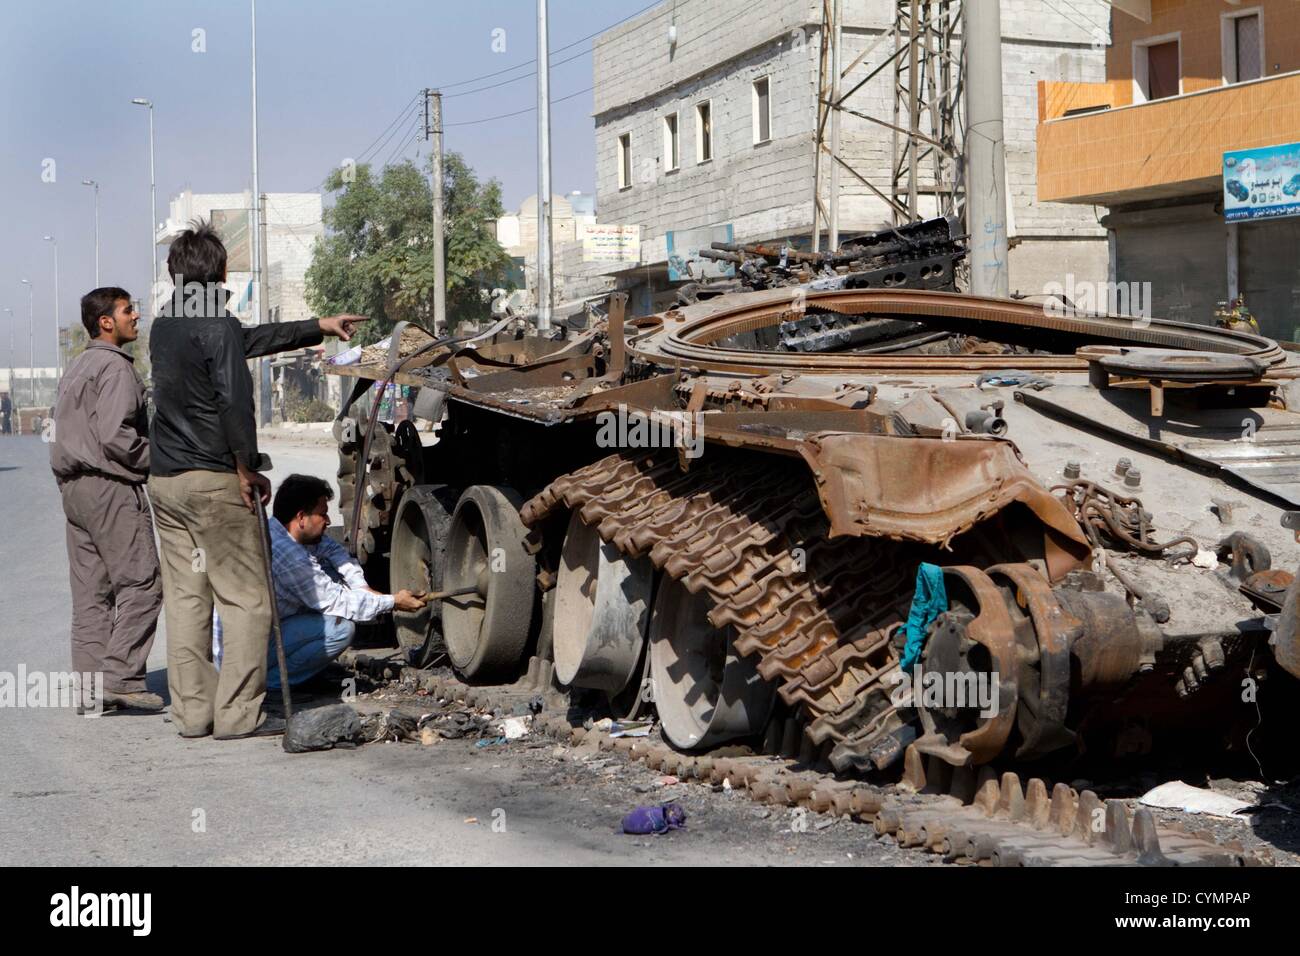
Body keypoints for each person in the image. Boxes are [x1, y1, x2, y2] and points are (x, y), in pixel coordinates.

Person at [146, 221, 367, 740]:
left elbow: (244, 340)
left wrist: (317, 325)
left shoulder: (165, 323)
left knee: (186, 601)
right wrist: (248, 466)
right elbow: (232, 398)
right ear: (219, 269)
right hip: (211, 482)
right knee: (248, 600)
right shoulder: (214, 323)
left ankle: (193, 714)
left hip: (166, 481)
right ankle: (239, 714)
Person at [50, 288, 162, 715]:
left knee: (92, 595)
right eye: (128, 310)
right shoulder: (114, 368)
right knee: (143, 582)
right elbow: (117, 437)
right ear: (106, 322)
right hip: (109, 487)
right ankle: (122, 679)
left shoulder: (78, 366)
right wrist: (160, 460)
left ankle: (90, 690)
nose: (137, 315)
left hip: (75, 492)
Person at [212, 475, 427, 688]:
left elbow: (333, 550)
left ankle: (288, 669)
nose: (329, 521)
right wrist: (392, 602)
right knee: (340, 629)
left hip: (262, 629)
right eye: (323, 515)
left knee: (330, 572)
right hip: (242, 652)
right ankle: (270, 683)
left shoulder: (279, 530)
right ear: (301, 517)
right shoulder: (290, 557)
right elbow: (338, 602)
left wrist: (362, 588)